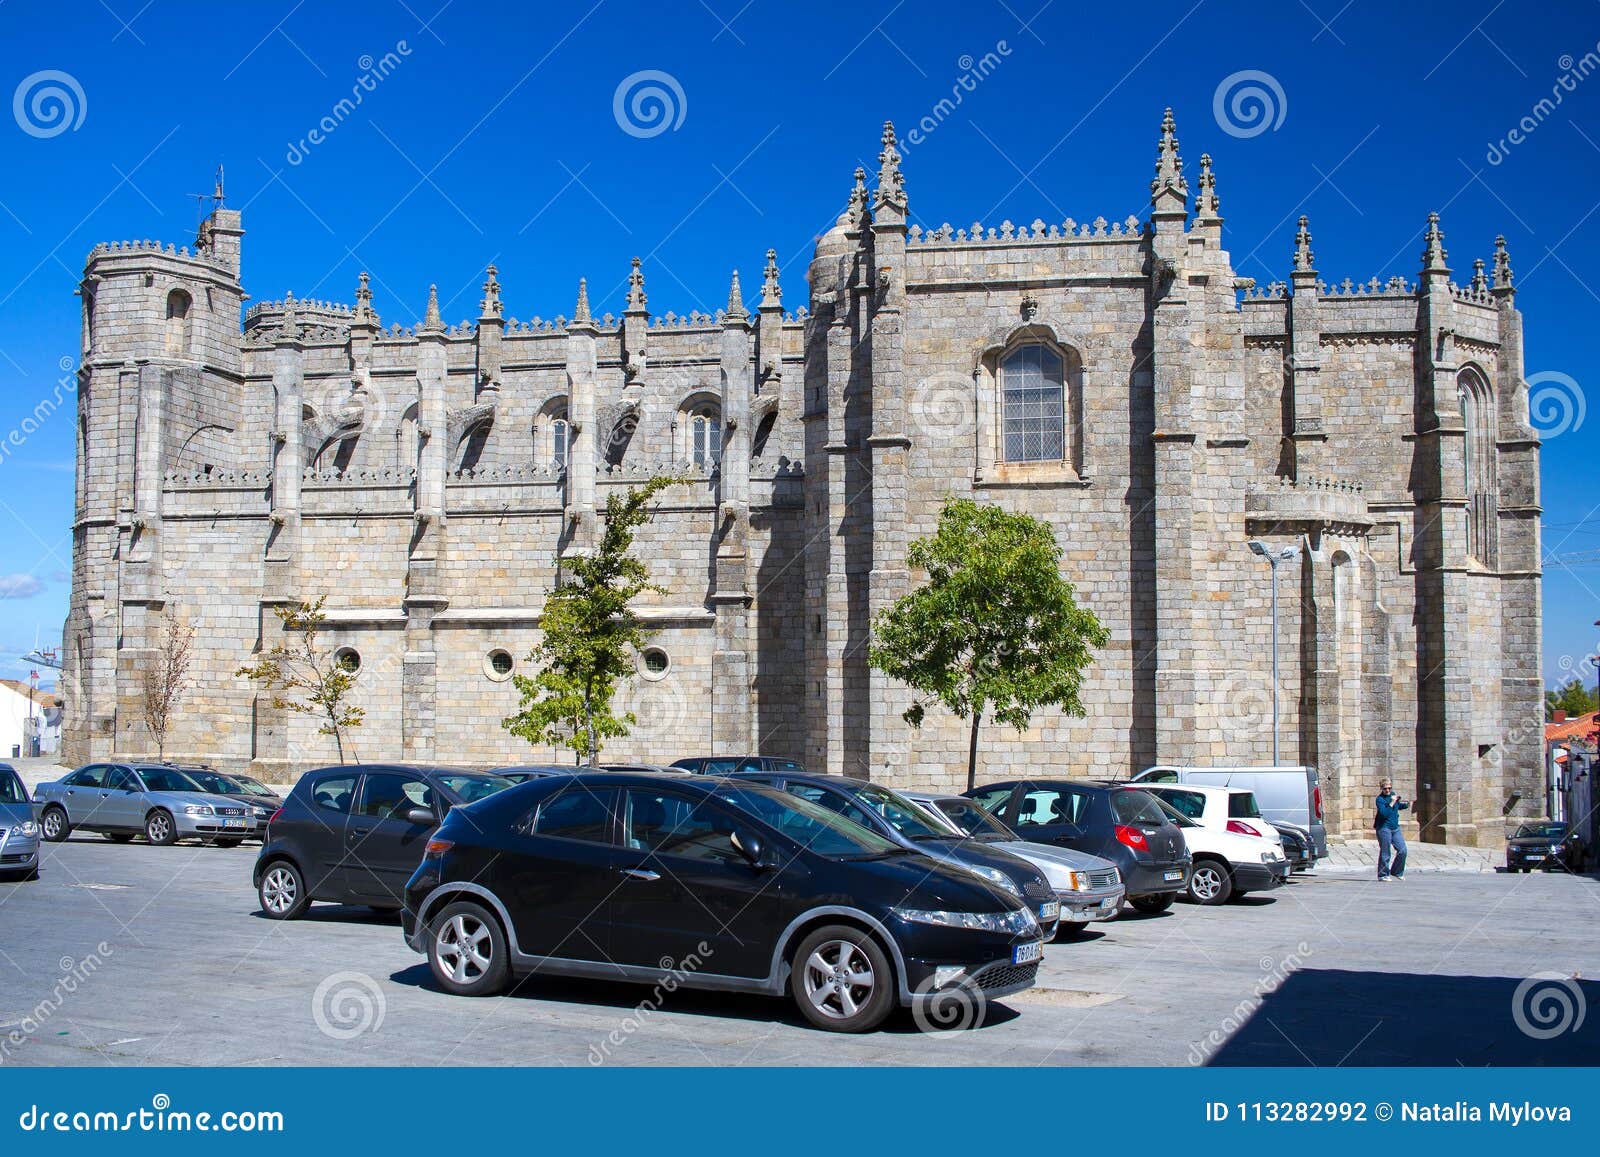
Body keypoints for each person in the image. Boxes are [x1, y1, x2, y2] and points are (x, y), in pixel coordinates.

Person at [1374, 778, 1409, 881]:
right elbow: (1384, 813)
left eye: (1389, 788)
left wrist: (1405, 805)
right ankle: (1383, 874)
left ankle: (1397, 871)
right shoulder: (1379, 799)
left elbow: (1397, 806)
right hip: (1384, 828)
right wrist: (1392, 803)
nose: (1388, 791)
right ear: (1381, 788)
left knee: (1402, 850)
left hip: (1395, 828)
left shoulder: (1392, 795)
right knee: (1386, 852)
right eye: (1385, 789)